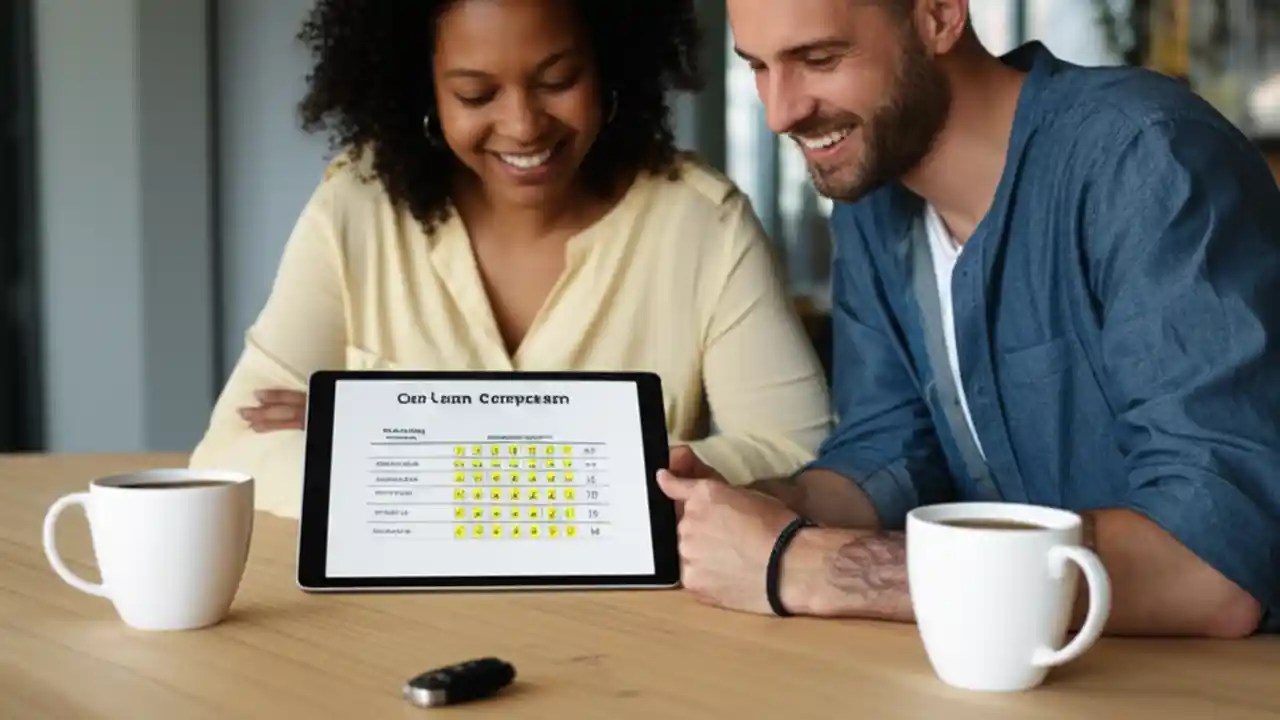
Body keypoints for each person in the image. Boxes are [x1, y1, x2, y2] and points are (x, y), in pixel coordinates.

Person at [659, 0, 1280, 637]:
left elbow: (1213, 570)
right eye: (759, 67)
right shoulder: (873, 204)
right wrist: (767, 508)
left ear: (938, 16)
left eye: (818, 60)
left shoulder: (1145, 158)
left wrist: (807, 565)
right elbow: (890, 453)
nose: (781, 112)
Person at [190, 0, 831, 518]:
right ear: (425, 90)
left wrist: (396, 444)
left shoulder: (702, 225)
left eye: (557, 81)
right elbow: (232, 456)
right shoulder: (357, 209)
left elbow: (800, 456)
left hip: (625, 638)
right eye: (475, 95)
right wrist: (591, 469)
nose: (523, 125)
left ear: (609, 65)